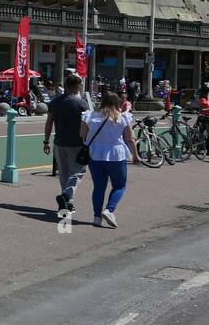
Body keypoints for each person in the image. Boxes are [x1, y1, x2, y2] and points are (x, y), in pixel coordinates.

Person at [79, 91, 139, 228]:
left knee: (99, 187)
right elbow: (130, 139)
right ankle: (109, 210)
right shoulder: (122, 118)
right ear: (117, 103)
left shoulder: (89, 116)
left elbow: (82, 134)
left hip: (95, 154)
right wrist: (135, 156)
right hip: (116, 155)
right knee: (119, 186)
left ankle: (96, 217)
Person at [44, 74, 90, 214]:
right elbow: (87, 126)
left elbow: (49, 123)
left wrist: (46, 141)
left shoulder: (55, 102)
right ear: (76, 86)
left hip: (59, 142)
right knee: (78, 171)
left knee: (63, 174)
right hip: (76, 143)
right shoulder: (81, 104)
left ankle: (67, 203)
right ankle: (66, 197)